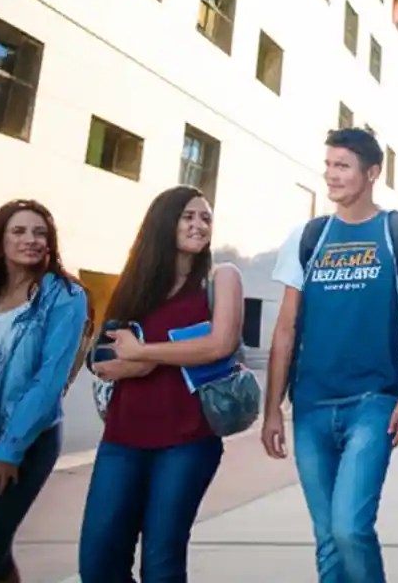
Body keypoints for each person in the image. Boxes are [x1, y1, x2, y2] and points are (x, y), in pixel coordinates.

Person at [262, 128, 398, 583]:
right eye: (328, 165)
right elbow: (285, 330)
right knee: (326, 538)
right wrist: (271, 411)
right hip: (311, 408)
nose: (331, 175)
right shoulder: (308, 237)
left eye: (342, 166)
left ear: (372, 172)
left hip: (374, 402)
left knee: (350, 528)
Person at [77, 186, 243, 580]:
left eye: (205, 218)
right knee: (98, 562)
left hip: (188, 440)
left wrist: (143, 354)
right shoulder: (136, 284)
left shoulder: (221, 278)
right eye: (188, 216)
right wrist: (127, 361)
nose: (199, 225)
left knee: (161, 562)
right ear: (163, 221)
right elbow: (104, 356)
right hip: (122, 438)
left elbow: (219, 344)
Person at [0, 200, 89, 583]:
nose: (31, 240)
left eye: (40, 233)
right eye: (19, 231)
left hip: (19, 441)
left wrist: (9, 450)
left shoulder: (64, 296)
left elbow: (49, 379)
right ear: (0, 239)